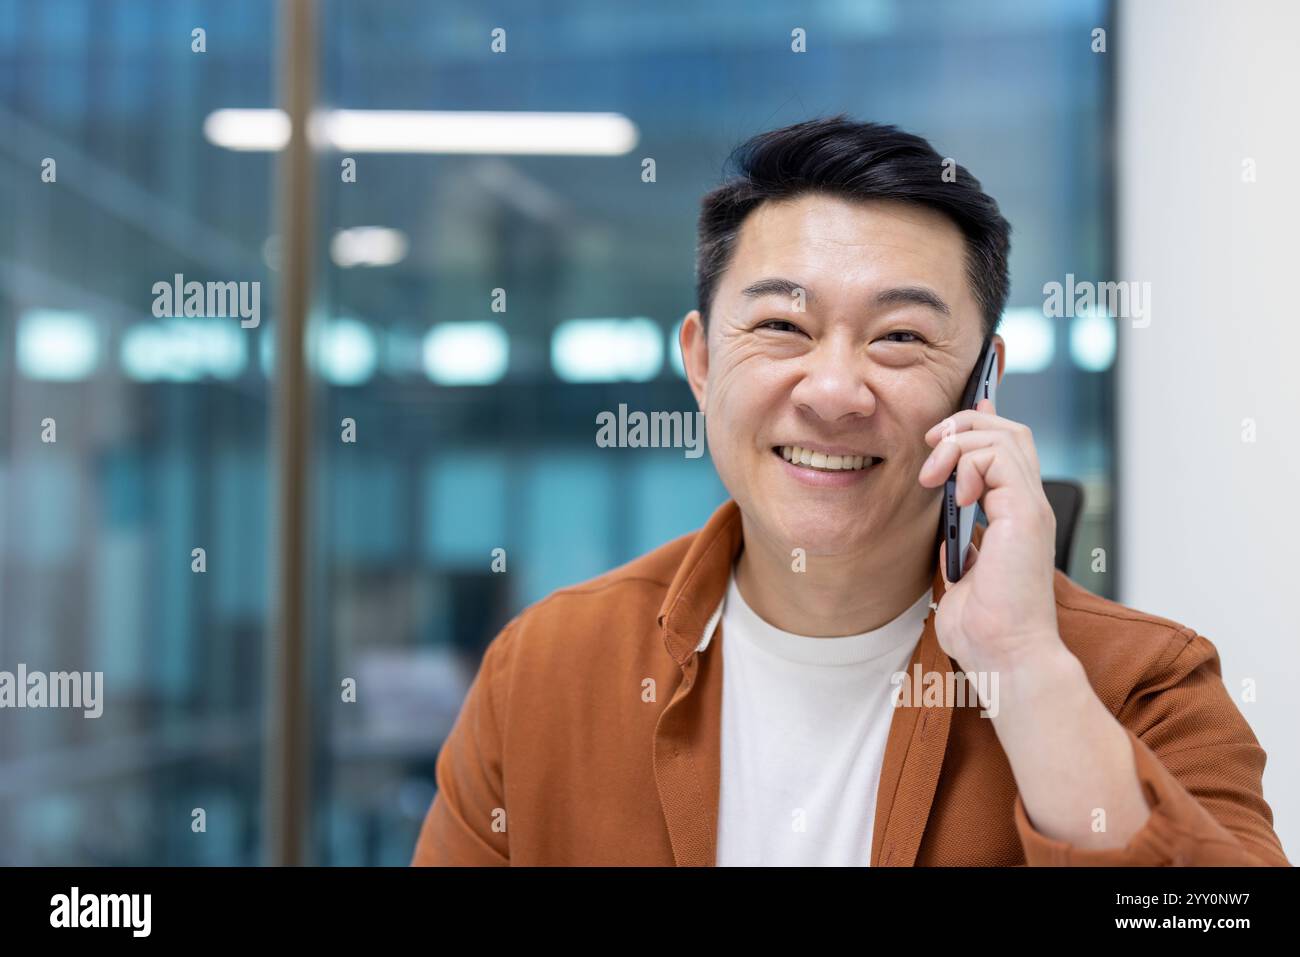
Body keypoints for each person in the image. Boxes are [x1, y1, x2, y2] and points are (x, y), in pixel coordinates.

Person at [411, 116, 1288, 866]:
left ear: (983, 386)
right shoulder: (547, 669)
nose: (834, 392)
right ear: (701, 362)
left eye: (900, 336)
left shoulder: (1141, 685)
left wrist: (1023, 668)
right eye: (783, 326)